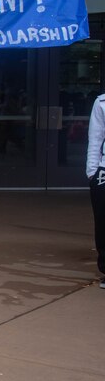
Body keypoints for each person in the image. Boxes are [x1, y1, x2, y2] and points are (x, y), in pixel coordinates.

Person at [84, 92, 105, 289]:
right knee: (103, 222)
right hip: (104, 172)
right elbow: (96, 138)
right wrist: (92, 172)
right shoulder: (102, 102)